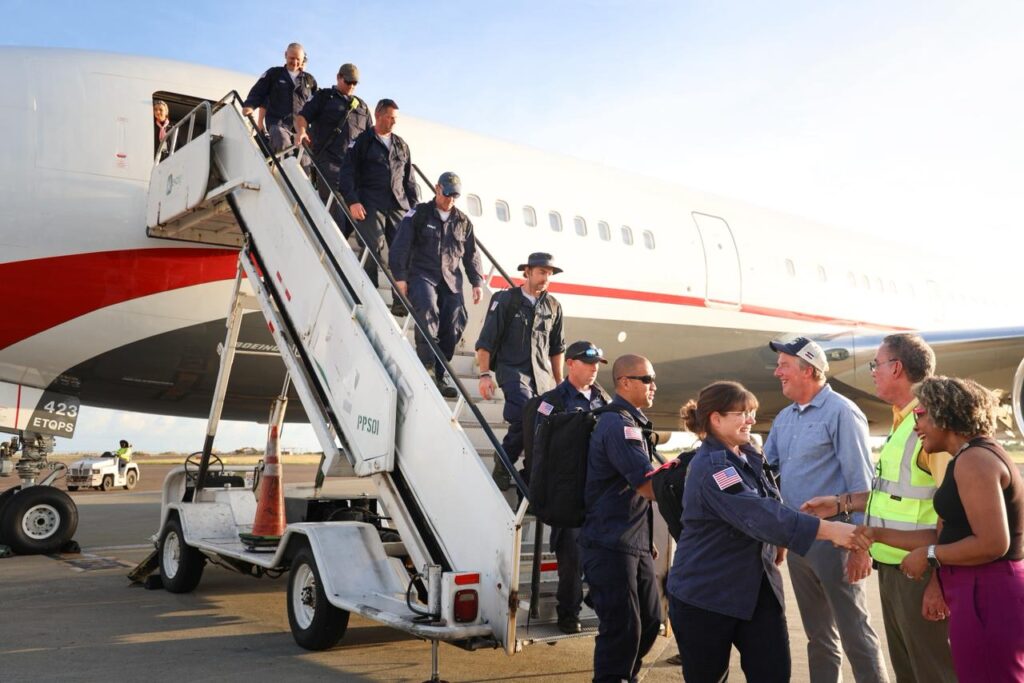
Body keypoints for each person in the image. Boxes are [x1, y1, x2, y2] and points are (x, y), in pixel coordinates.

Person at [668, 381, 864, 682]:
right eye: (742, 413)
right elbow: (756, 514)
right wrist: (827, 530)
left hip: (757, 591)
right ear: (715, 419)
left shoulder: (749, 455)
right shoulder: (713, 467)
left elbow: (771, 501)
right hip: (706, 595)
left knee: (773, 673)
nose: (751, 420)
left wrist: (780, 541)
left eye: (752, 412)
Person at [801, 334, 956, 682]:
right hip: (895, 567)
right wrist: (842, 502)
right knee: (909, 672)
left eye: (877, 364)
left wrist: (939, 581)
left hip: (923, 570)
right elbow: (894, 495)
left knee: (933, 672)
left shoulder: (931, 425)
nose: (873, 372)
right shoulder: (902, 421)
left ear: (897, 368)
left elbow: (955, 510)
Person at [854, 376, 1024, 683]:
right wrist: (878, 534)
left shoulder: (975, 461)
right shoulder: (965, 458)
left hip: (988, 593)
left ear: (945, 414)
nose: (916, 424)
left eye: (922, 415)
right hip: (974, 591)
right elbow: (946, 534)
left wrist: (930, 556)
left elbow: (993, 543)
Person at [763, 334, 889, 683]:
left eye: (784, 366)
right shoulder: (785, 418)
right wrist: (780, 536)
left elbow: (862, 485)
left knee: (855, 632)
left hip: (838, 542)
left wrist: (861, 547)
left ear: (809, 370)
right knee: (818, 636)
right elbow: (768, 476)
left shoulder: (843, 413)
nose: (778, 373)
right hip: (800, 541)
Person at [577, 354, 660, 683]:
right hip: (610, 541)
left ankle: (624, 674)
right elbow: (646, 483)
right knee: (622, 628)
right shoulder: (619, 425)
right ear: (624, 383)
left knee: (651, 621)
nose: (653, 385)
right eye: (647, 379)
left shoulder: (634, 422)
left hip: (633, 540)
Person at [531, 340, 609, 634]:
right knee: (571, 560)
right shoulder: (552, 400)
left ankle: (596, 602)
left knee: (601, 555)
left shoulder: (602, 399)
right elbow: (542, 448)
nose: (593, 370)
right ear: (571, 364)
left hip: (597, 493)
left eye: (596, 365)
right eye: (588, 364)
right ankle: (568, 614)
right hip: (567, 493)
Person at [474, 252, 565, 491]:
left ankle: (511, 466)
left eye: (549, 273)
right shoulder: (507, 300)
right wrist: (485, 375)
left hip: (542, 379)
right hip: (512, 372)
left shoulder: (554, 306)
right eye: (541, 272)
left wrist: (559, 381)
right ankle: (509, 465)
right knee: (528, 413)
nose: (546, 277)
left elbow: (557, 348)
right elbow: (486, 341)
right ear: (527, 272)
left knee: (540, 423)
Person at [389, 172, 483, 398]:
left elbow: (471, 254)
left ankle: (440, 372)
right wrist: (400, 278)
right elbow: (400, 246)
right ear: (437, 188)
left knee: (454, 324)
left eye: (455, 196)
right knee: (428, 310)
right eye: (447, 193)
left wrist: (477, 282)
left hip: (451, 279)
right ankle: (427, 367)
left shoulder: (462, 221)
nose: (450, 199)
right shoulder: (419, 214)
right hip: (423, 274)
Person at [339, 99, 418, 290]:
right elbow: (347, 173)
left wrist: (415, 209)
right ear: (378, 115)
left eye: (395, 118)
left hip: (398, 205)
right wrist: (352, 202)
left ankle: (401, 302)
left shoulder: (401, 145)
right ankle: (368, 292)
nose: (393, 122)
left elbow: (409, 181)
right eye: (390, 117)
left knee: (402, 251)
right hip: (370, 203)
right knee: (372, 246)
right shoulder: (362, 141)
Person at [294, 63, 370, 233]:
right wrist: (301, 132)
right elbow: (303, 117)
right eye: (348, 81)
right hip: (329, 162)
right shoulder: (324, 96)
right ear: (338, 77)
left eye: (354, 83)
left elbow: (370, 139)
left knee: (357, 218)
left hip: (353, 170)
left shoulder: (362, 107)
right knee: (336, 211)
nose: (351, 86)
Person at [242, 42, 317, 153]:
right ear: (285, 55)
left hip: (300, 128)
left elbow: (315, 105)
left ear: (302, 60)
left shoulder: (310, 80)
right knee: (281, 140)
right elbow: (258, 90)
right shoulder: (274, 74)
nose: (295, 62)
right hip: (278, 123)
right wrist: (249, 105)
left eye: (298, 59)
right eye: (292, 58)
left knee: (305, 157)